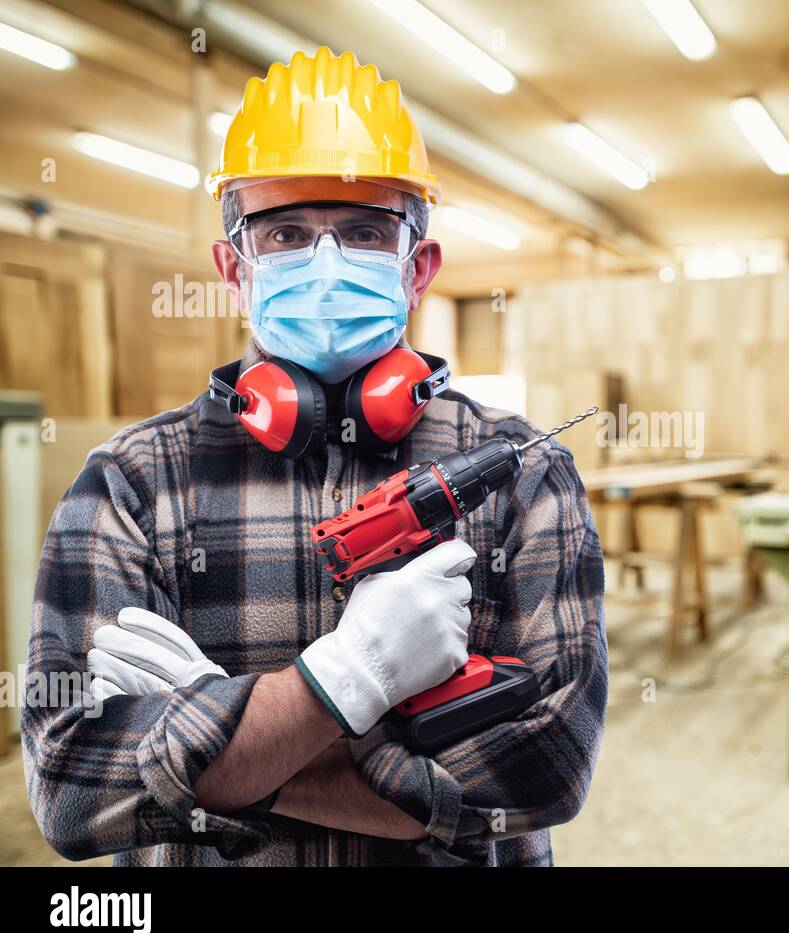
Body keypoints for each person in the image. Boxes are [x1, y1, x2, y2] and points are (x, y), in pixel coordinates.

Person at [22, 47, 607, 866]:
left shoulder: (521, 471)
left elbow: (544, 774)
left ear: (418, 269)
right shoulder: (132, 482)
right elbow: (74, 790)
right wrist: (347, 679)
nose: (325, 263)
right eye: (286, 232)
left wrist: (217, 742)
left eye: (366, 232)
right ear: (235, 268)